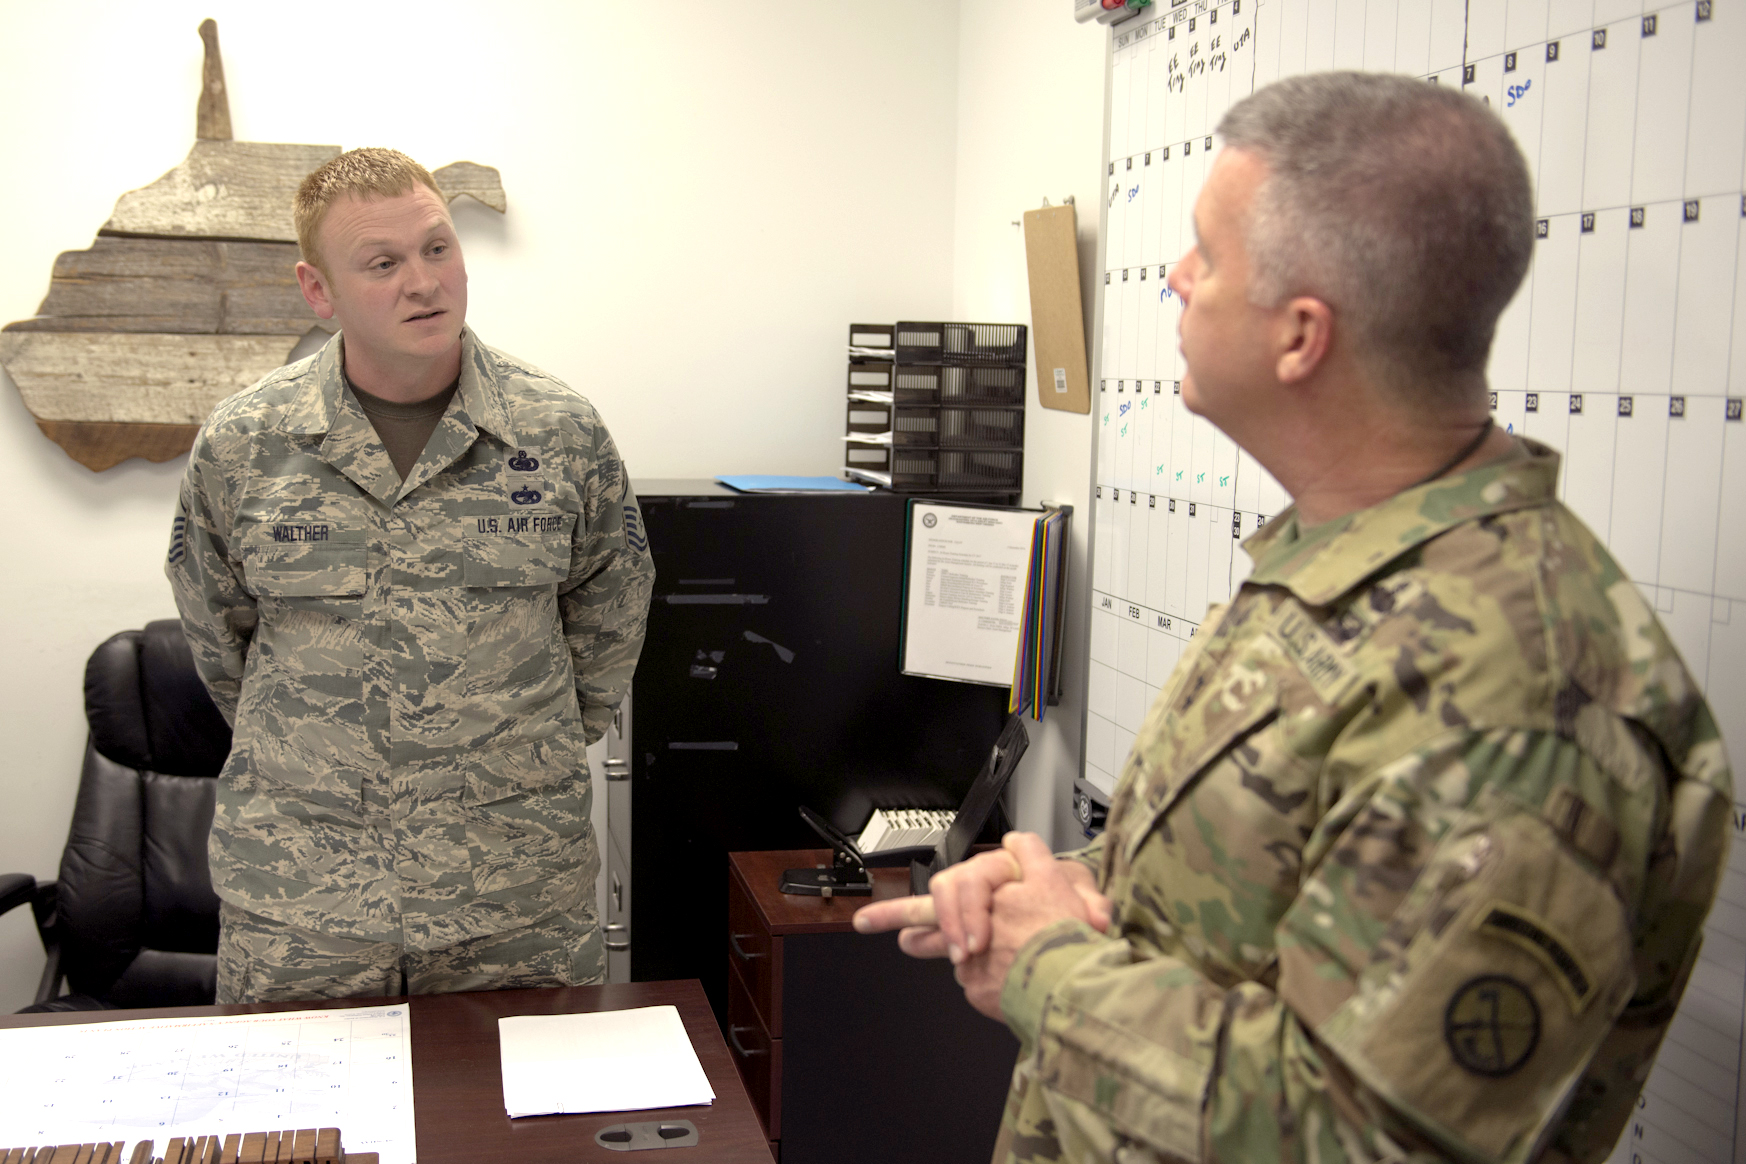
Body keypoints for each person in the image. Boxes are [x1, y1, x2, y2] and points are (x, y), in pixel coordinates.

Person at [855, 73, 1732, 1164]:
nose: (1174, 279)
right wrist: (1075, 892)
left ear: (1301, 335)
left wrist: (1046, 967)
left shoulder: (1514, 694)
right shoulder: (1335, 566)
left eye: (1205, 258)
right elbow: (1249, 913)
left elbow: (1363, 1135)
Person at [167, 147, 654, 1004]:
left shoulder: (559, 431)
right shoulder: (247, 445)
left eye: (437, 249)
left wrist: (516, 758)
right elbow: (219, 637)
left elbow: (610, 614)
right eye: (383, 263)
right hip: (306, 902)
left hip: (516, 895)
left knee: (524, 1135)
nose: (424, 282)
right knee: (307, 1136)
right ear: (319, 291)